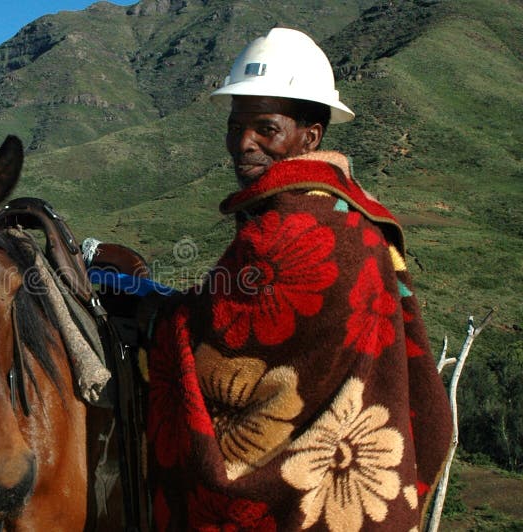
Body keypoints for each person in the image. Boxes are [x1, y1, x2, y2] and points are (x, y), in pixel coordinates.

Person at [143, 27, 453, 531]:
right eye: (236, 126)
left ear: (311, 136)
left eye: (266, 128)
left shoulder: (289, 230)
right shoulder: (360, 220)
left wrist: (159, 314)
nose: (244, 143)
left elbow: (211, 338)